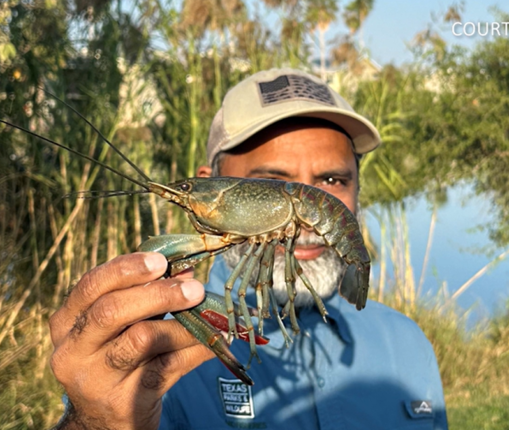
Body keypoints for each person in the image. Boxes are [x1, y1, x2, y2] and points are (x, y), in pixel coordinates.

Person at [49, 68, 447, 430]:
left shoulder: (409, 345)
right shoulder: (151, 355)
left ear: (357, 188)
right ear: (211, 179)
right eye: (273, 179)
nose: (304, 227)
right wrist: (95, 421)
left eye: (332, 179)